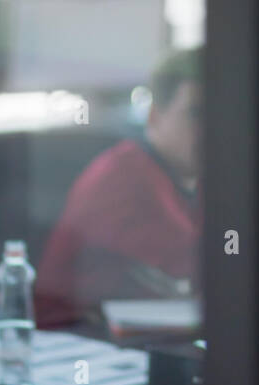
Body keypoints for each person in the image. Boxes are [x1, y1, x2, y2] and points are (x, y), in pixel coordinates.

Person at [35, 48, 201, 330]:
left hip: (147, 339)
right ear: (154, 116)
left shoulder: (195, 178)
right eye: (197, 114)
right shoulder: (119, 179)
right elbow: (204, 263)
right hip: (76, 343)